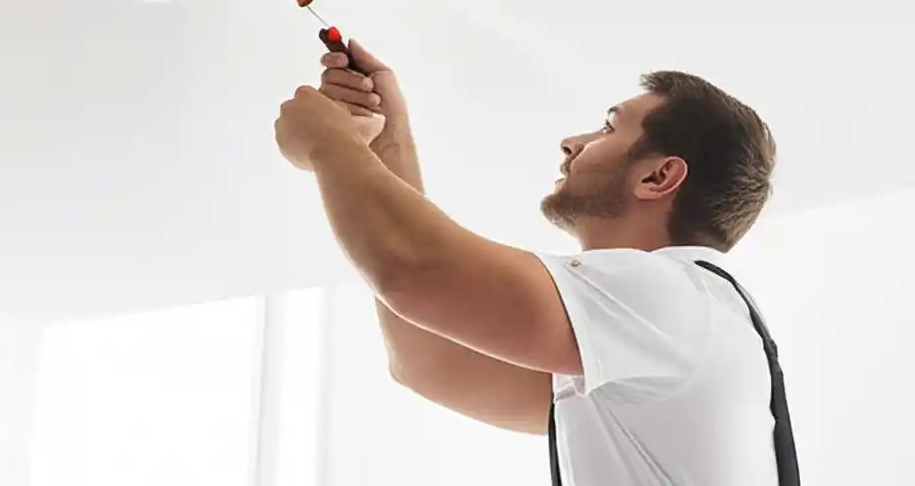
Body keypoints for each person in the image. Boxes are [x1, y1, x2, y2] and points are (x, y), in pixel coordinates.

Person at [274, 39, 795, 485]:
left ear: (658, 178)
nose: (572, 143)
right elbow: (430, 358)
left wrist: (328, 144)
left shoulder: (667, 295)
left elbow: (415, 271)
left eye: (608, 129)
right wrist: (387, 144)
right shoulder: (668, 329)